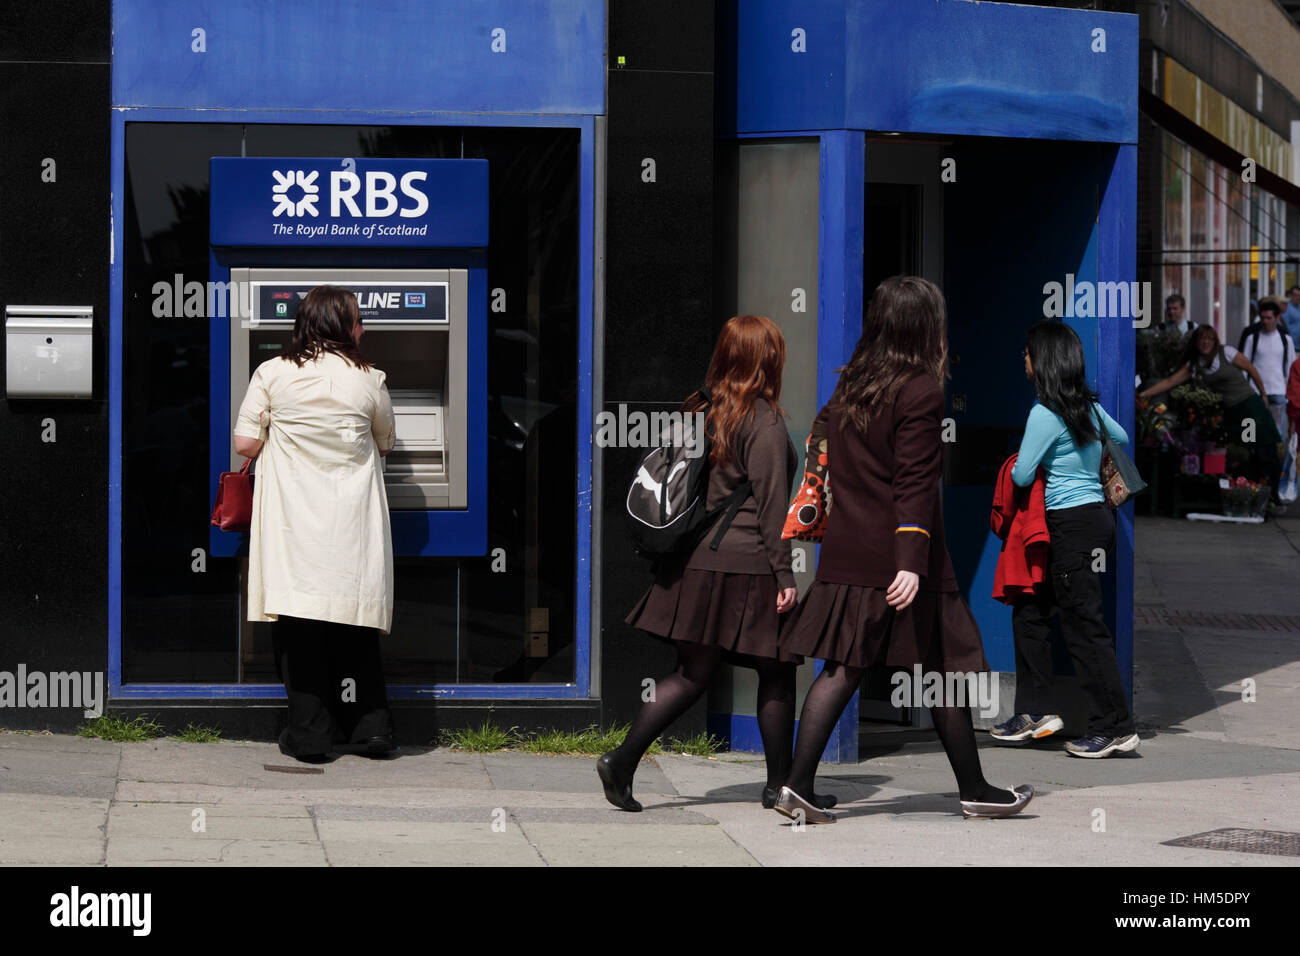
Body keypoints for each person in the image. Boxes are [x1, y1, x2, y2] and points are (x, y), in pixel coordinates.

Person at [772, 276, 1032, 823]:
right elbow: (914, 481)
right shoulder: (921, 390)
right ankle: (976, 790)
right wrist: (911, 561)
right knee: (948, 668)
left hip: (847, 552)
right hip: (904, 557)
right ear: (925, 326)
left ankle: (796, 787)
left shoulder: (851, 387)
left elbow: (826, 455)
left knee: (843, 667)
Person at [598, 315, 833, 812]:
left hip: (701, 562)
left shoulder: (703, 408)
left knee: (691, 673)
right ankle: (779, 786)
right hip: (746, 565)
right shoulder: (764, 420)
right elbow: (772, 508)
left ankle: (621, 761)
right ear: (766, 360)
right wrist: (784, 575)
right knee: (776, 670)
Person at [233, 285, 398, 761]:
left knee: (301, 623)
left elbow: (245, 443)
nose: (363, 328)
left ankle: (309, 735)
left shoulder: (272, 373)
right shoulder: (370, 379)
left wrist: (276, 429)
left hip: (294, 519)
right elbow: (385, 442)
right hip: (352, 517)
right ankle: (372, 730)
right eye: (358, 319)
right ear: (342, 325)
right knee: (356, 619)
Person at [990, 321, 1139, 758]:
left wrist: (1044, 459)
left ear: (1044, 360)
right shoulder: (1087, 409)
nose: (1024, 358)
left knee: (1082, 626)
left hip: (1070, 526)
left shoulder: (1045, 413)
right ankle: (1035, 712)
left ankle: (1115, 727)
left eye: (1028, 352)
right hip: (1091, 523)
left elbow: (1020, 474)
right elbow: (1124, 438)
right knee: (1030, 613)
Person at [1140, 324, 1282, 500]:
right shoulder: (1195, 364)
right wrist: (1142, 395)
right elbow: (1170, 381)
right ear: (1196, 342)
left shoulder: (1227, 353)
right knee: (1242, 453)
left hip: (1248, 409)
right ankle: (1250, 493)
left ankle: (1271, 495)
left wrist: (1264, 395)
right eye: (1201, 339)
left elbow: (1251, 369)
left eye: (1209, 339)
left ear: (1215, 341)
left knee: (1259, 449)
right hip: (1232, 412)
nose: (1205, 342)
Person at [1236, 298, 1295, 439]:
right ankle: (1248, 456)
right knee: (1250, 433)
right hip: (1255, 391)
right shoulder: (1252, 338)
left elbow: (1291, 367)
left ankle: (1275, 459)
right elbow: (1244, 365)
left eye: (1269, 318)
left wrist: (1291, 393)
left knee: (1277, 434)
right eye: (1263, 318)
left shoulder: (1286, 340)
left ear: (1277, 318)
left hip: (1278, 392)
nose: (1265, 321)